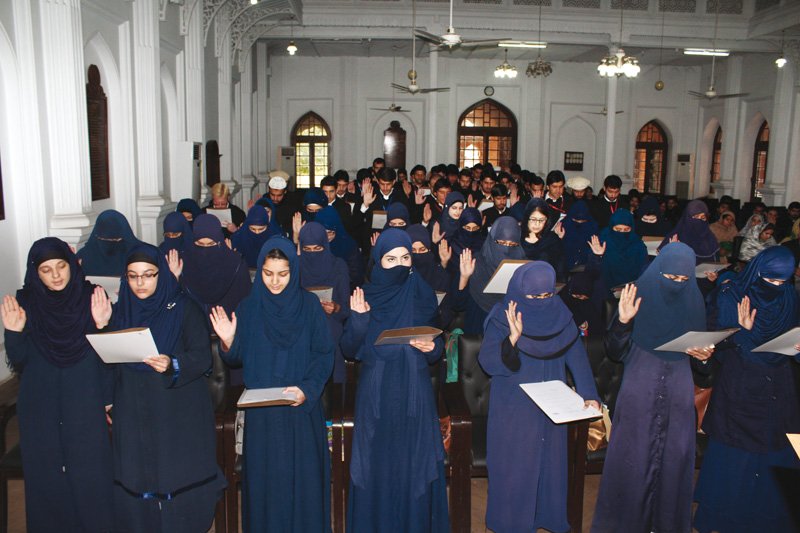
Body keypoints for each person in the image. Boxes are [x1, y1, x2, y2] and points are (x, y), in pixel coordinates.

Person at [96, 243, 225, 532]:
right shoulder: (121, 311)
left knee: (176, 475)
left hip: (176, 407)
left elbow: (202, 358)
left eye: (149, 275)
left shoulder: (184, 307)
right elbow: (108, 362)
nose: (140, 283)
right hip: (132, 406)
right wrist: (104, 327)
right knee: (138, 477)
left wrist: (172, 363)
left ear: (161, 274)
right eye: (133, 276)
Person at [211, 237, 334, 532]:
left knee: (303, 485)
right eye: (267, 273)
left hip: (300, 409)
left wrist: (307, 388)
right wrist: (228, 341)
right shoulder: (249, 307)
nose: (275, 281)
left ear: (294, 271)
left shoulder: (309, 306)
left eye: (283, 273)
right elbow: (237, 358)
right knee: (265, 488)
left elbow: (324, 354)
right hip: (263, 415)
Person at [591, 243, 714, 533]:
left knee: (673, 462)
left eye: (684, 280)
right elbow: (614, 352)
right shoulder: (637, 296)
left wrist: (706, 358)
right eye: (671, 278)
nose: (677, 285)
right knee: (631, 462)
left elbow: (703, 371)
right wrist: (622, 321)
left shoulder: (694, 302)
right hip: (639, 389)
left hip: (678, 394)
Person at [1, 238, 114, 532]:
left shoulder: (92, 297)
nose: (55, 275)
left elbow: (109, 358)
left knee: (91, 477)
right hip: (40, 403)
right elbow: (21, 360)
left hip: (85, 399)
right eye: (46, 270)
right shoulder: (26, 302)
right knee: (47, 480)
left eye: (61, 266)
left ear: (72, 263)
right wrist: (13, 333)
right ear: (35, 273)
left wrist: (103, 326)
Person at [341, 229, 449, 532]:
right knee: (376, 468)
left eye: (405, 257)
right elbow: (350, 349)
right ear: (378, 261)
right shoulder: (366, 294)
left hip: (415, 393)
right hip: (377, 395)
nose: (400, 264)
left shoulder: (422, 291)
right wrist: (360, 321)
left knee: (414, 467)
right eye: (391, 259)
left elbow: (436, 339)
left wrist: (433, 347)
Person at [478, 262, 599, 533]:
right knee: (514, 468)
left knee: (549, 465)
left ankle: (546, 517)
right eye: (533, 297)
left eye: (547, 295)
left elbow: (576, 355)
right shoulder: (502, 314)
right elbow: (488, 363)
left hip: (552, 405)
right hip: (514, 405)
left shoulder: (560, 313)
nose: (541, 302)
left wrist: (589, 394)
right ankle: (509, 524)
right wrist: (512, 339)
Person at [694, 246, 800, 532]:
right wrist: (741, 332)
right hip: (741, 385)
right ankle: (727, 518)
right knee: (735, 455)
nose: (777, 288)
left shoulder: (790, 295)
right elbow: (716, 346)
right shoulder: (733, 295)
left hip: (779, 385)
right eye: (771, 281)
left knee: (777, 449)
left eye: (782, 282)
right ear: (757, 272)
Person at [298, 222, 351, 383]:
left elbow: (346, 308)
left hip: (331, 320)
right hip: (302, 321)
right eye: (307, 249)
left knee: (329, 331)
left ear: (325, 246)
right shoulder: (296, 266)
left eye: (317, 249)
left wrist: (335, 307)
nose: (312, 253)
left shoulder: (338, 266)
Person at [181, 213, 251, 321]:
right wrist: (174, 276)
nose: (205, 250)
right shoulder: (183, 263)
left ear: (220, 242)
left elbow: (244, 303)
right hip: (193, 327)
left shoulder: (237, 264)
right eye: (200, 244)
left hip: (228, 326)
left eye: (211, 244)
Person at [589, 209, 647, 293]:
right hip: (605, 289)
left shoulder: (638, 244)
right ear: (611, 227)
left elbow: (644, 269)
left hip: (631, 290)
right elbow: (592, 272)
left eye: (626, 230)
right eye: (618, 229)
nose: (622, 233)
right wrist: (598, 256)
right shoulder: (601, 241)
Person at [78, 209, 141, 277]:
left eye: (114, 239)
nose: (108, 243)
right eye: (102, 239)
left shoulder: (140, 254)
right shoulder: (84, 255)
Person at [316, 206, 365, 289]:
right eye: (322, 232)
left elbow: (355, 275)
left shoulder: (349, 244)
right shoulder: (312, 243)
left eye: (330, 232)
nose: (326, 237)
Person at [659, 199, 719, 264]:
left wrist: (714, 273)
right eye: (695, 217)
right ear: (687, 218)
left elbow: (715, 263)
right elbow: (663, 264)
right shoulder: (674, 238)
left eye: (702, 217)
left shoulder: (710, 238)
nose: (699, 221)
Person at [521, 198, 565, 278]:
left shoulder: (552, 240)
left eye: (541, 220)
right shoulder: (517, 237)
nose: (537, 224)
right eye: (533, 219)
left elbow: (560, 269)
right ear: (527, 218)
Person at [561, 200, 598, 271]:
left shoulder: (593, 226)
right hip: (565, 265)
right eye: (576, 221)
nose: (579, 223)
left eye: (582, 221)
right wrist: (559, 238)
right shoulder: (564, 225)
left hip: (586, 266)